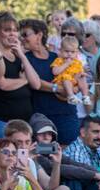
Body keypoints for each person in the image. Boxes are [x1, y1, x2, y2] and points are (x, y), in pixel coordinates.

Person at [0, 11, 40, 142]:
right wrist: (24, 80)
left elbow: (36, 84)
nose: (13, 33)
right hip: (1, 122)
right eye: (7, 30)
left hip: (24, 123)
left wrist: (22, 56)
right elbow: (2, 84)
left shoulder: (19, 55)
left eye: (15, 30)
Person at [20, 18, 78, 146]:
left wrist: (75, 87)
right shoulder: (25, 59)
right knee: (44, 156)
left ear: (39, 35)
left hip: (66, 113)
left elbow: (73, 76)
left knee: (66, 157)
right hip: (42, 117)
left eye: (25, 34)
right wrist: (57, 88)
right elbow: (34, 82)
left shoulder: (56, 57)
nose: (22, 38)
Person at [50, 34, 92, 110]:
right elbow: (55, 72)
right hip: (62, 82)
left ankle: (85, 96)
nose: (69, 54)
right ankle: (71, 97)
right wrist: (66, 64)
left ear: (77, 52)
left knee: (83, 77)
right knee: (66, 77)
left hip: (73, 82)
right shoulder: (59, 60)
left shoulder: (77, 62)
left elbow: (79, 74)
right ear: (61, 50)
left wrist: (82, 74)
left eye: (72, 52)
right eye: (66, 51)